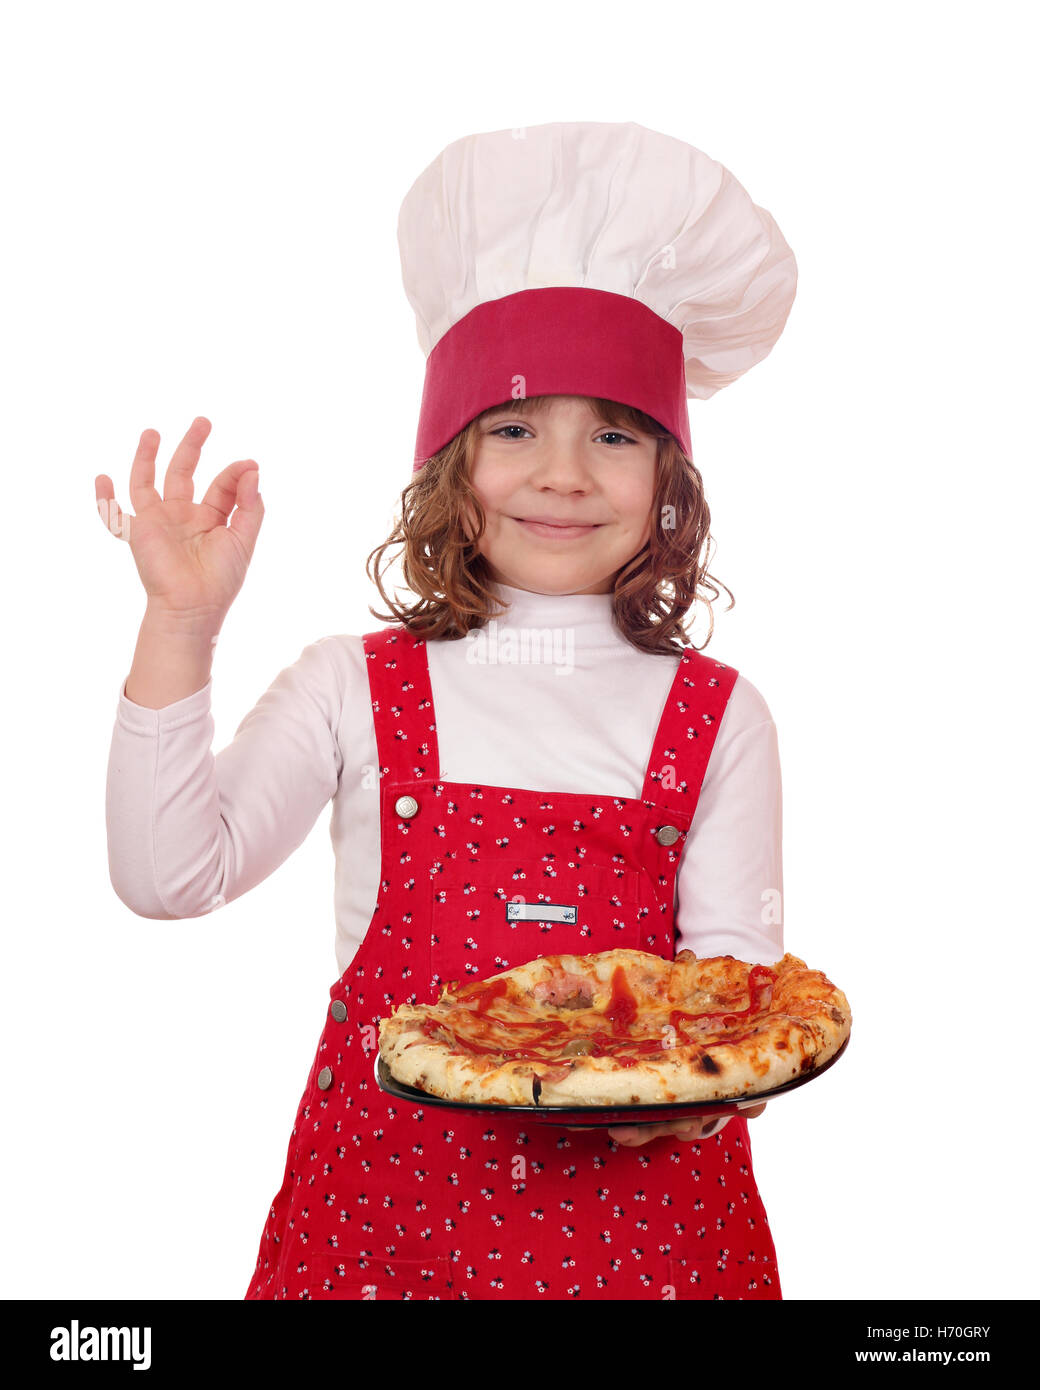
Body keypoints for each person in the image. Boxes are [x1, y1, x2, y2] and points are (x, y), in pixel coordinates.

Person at [97, 121, 797, 1301]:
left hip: (645, 1247)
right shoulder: (348, 686)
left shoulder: (718, 716)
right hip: (384, 1229)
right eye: (515, 428)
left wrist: (697, 1091)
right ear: (446, 463)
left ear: (668, 481)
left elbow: (736, 991)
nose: (562, 474)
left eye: (613, 434)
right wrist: (181, 623)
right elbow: (169, 876)